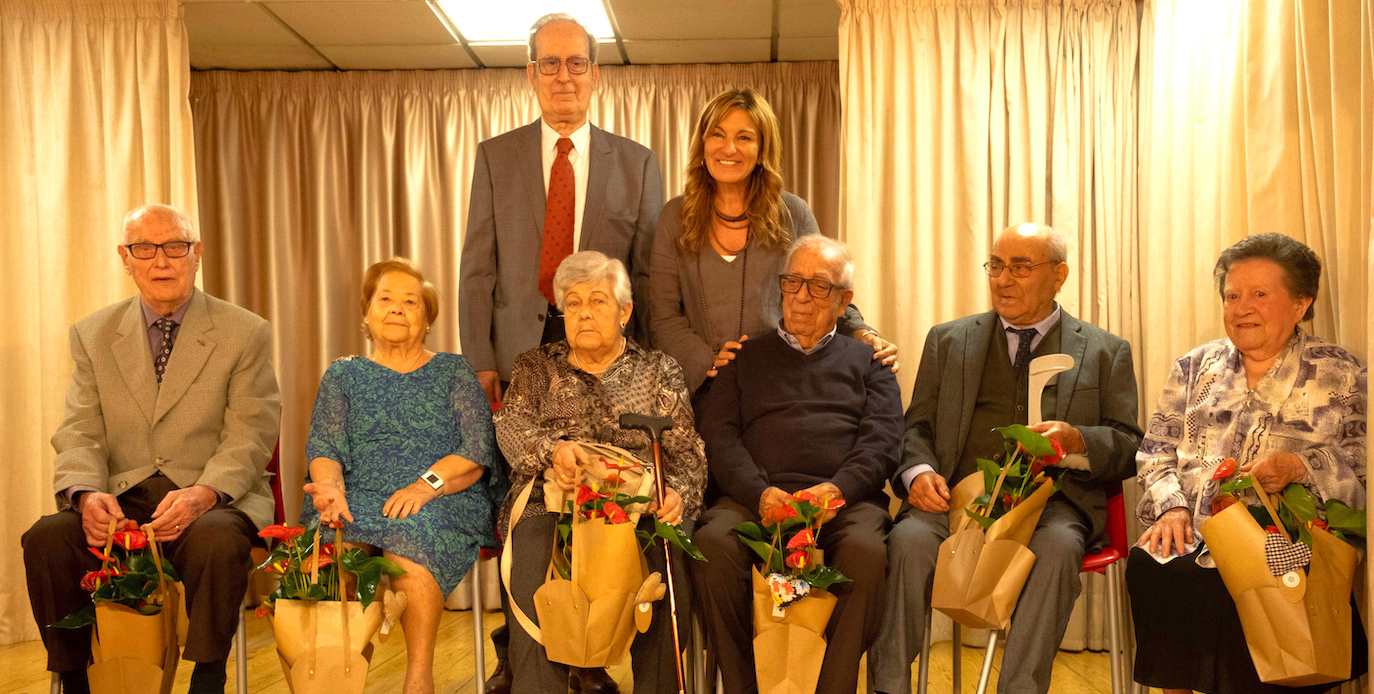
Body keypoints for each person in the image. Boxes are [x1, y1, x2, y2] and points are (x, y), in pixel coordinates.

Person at [459, 16, 663, 684]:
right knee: (526, 504)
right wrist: (482, 361)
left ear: (596, 74)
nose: (565, 76)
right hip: (520, 357)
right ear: (531, 74)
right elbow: (477, 270)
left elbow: (650, 276)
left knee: (594, 501)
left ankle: (590, 652)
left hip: (604, 360)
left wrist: (643, 373)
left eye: (577, 63)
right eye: (551, 64)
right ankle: (525, 655)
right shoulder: (496, 155)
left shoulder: (636, 162)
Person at [870, 223, 1142, 694]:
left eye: (1020, 267)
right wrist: (918, 473)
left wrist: (1078, 439)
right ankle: (888, 688)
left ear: (1059, 275)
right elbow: (918, 427)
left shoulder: (1104, 351)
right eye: (996, 266)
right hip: (956, 499)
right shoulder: (948, 340)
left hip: (1054, 505)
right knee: (908, 542)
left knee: (1056, 552)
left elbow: (1129, 446)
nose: (1003, 279)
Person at [21, 204, 281, 694]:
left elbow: (251, 432)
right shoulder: (92, 334)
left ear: (196, 254)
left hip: (208, 497)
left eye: (175, 247)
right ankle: (73, 677)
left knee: (217, 542)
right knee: (46, 539)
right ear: (126, 258)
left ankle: (208, 677)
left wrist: (204, 493)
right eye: (145, 248)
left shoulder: (245, 331)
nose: (161, 260)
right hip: (123, 497)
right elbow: (79, 429)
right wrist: (84, 495)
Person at [1128, 233, 1367, 694]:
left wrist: (1300, 466)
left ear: (1301, 303)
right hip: (1194, 528)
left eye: (1260, 294)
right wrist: (1171, 506)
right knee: (1156, 565)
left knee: (1258, 582)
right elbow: (1155, 449)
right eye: (1232, 296)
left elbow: (1362, 465)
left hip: (1285, 537)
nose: (1241, 308)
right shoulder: (1195, 366)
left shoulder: (1342, 374)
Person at [692, 235, 904, 694]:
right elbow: (719, 435)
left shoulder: (870, 360)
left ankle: (832, 687)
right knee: (713, 545)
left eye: (819, 286)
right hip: (756, 500)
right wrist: (758, 492)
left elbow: (883, 440)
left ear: (845, 300)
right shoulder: (743, 357)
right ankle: (743, 686)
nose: (802, 296)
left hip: (843, 504)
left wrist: (837, 488)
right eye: (793, 282)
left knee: (866, 558)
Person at [495, 251, 706, 694]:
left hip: (638, 506)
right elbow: (511, 428)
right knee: (534, 581)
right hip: (551, 502)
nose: (584, 313)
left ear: (625, 311)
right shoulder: (534, 367)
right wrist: (554, 451)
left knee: (663, 583)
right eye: (573, 303)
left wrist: (678, 496)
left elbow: (688, 456)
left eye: (598, 301)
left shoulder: (659, 371)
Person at [301, 257, 504, 694]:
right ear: (367, 312)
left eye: (410, 301)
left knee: (412, 540)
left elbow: (476, 450)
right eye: (385, 299)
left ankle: (419, 680)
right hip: (357, 494)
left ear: (427, 317)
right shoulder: (344, 374)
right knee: (331, 551)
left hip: (442, 495)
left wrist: (424, 485)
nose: (396, 308)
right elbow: (324, 448)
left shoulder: (452, 370)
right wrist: (332, 491)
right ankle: (339, 678)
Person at [649, 88, 896, 398]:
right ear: (702, 144)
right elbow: (663, 316)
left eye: (744, 138)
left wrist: (862, 332)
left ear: (763, 148)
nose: (729, 148)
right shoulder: (674, 216)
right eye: (717, 135)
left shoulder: (793, 214)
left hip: (782, 385)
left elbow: (825, 292)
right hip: (702, 389)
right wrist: (707, 360)